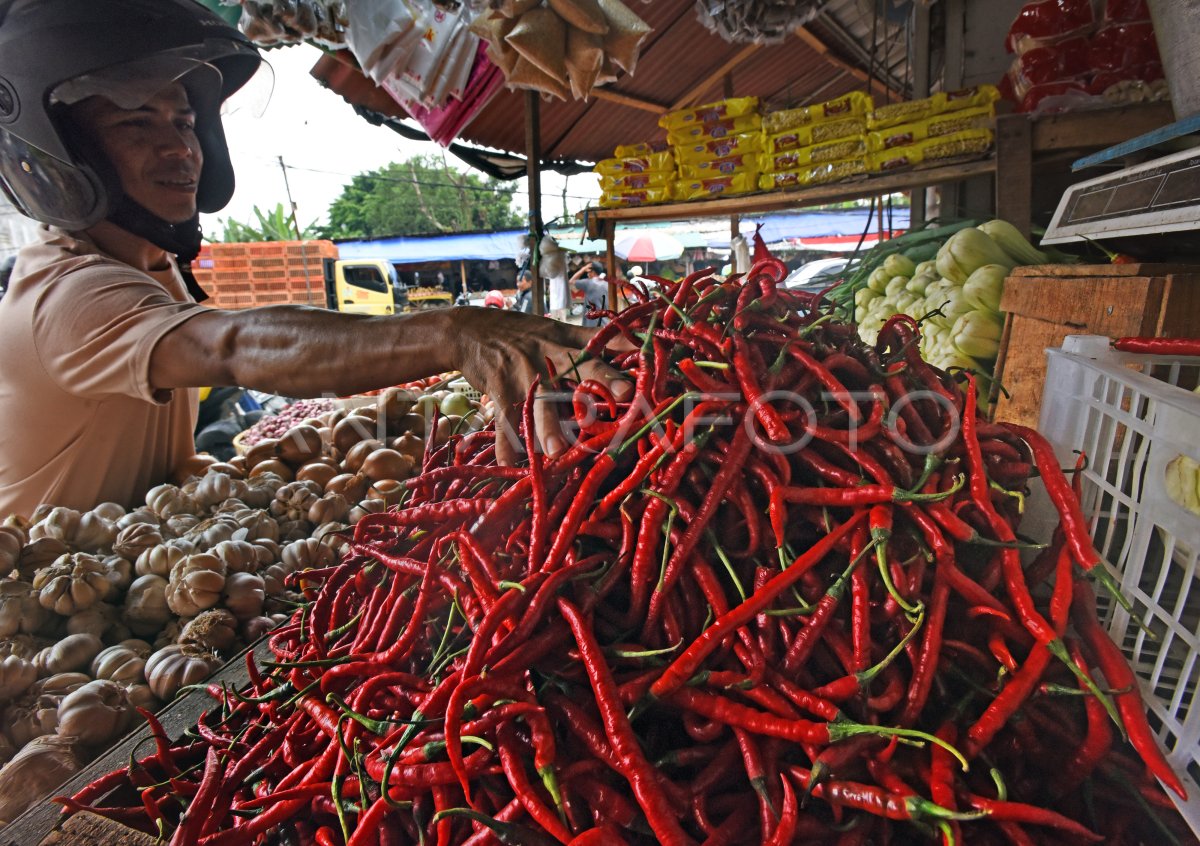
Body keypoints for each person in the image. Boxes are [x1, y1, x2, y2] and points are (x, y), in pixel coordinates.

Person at [0, 0, 628, 519]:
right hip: (42, 613)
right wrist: (454, 330)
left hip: (136, 565)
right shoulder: (69, 293)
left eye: (185, 123)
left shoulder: (151, 268)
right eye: (137, 123)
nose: (178, 148)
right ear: (62, 151)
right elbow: (234, 345)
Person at [569, 261, 609, 327]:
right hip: (604, 322)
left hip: (591, 323)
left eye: (588, 272)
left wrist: (583, 269)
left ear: (593, 272)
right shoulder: (606, 284)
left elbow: (571, 281)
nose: (587, 274)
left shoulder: (587, 283)